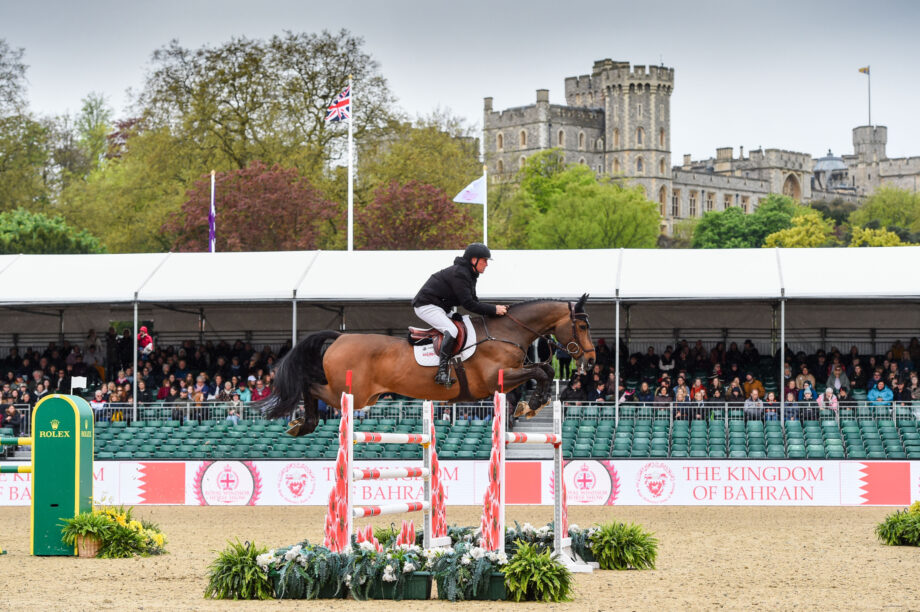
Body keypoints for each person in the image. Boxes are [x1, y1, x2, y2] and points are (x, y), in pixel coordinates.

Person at [412, 243, 508, 387]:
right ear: (473, 260)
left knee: (464, 321)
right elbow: (469, 304)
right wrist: (494, 309)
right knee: (452, 330)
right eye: (484, 260)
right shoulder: (460, 273)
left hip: (440, 306)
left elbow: (474, 301)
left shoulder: (470, 274)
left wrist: (494, 311)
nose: (486, 264)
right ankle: (442, 372)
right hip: (426, 305)